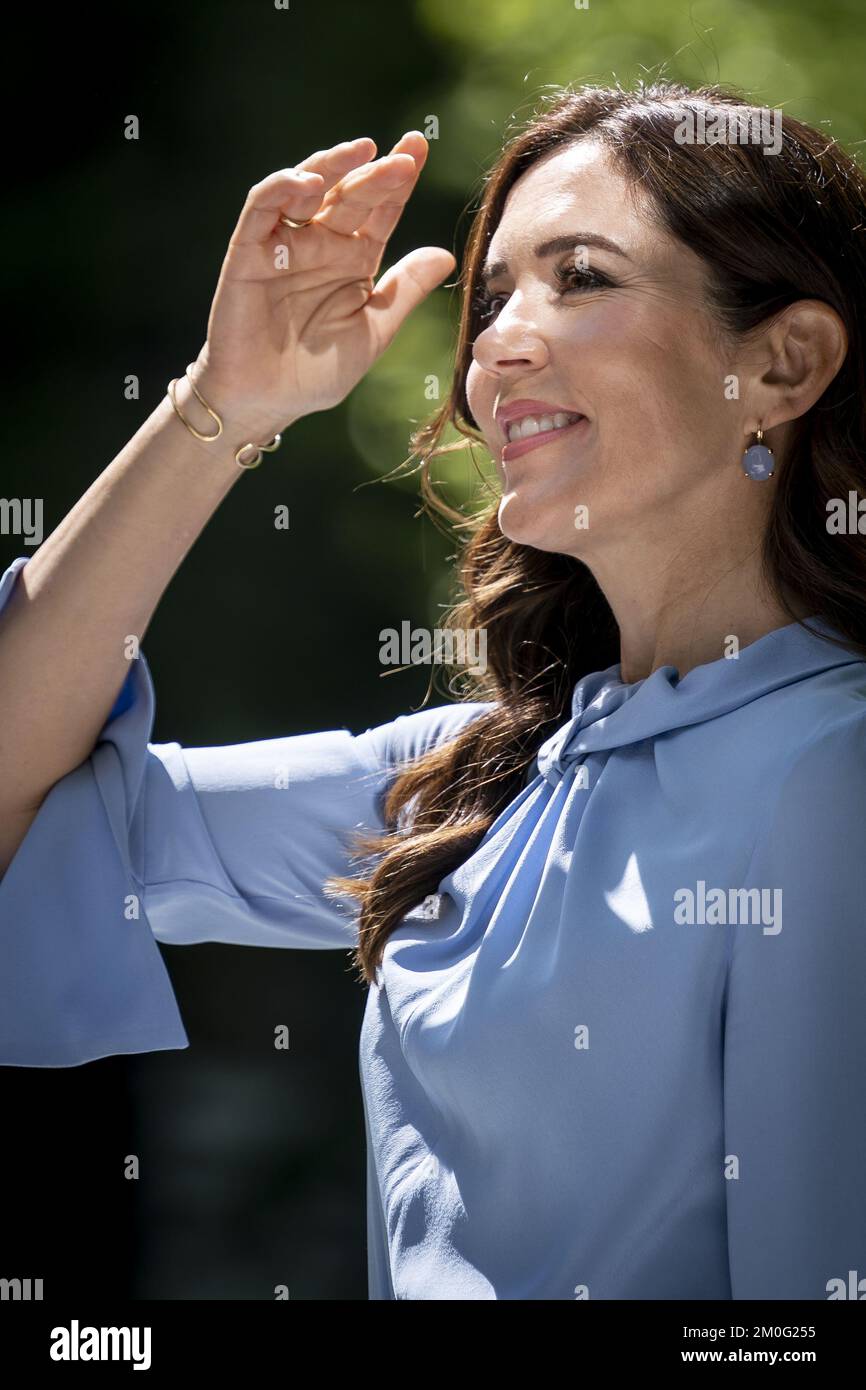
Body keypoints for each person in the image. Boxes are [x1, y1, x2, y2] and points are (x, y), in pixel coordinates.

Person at [1, 80, 865, 1301]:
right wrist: (221, 405)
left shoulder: (830, 775)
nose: (495, 344)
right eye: (493, 295)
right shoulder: (472, 779)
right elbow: (13, 801)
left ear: (784, 363)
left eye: (582, 278)